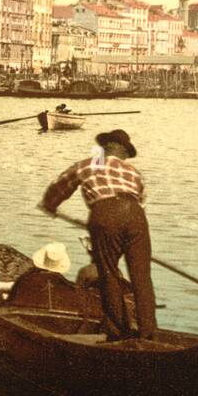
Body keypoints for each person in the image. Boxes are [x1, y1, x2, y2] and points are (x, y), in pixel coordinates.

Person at [39, 129, 157, 341]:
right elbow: (141, 204)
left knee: (109, 273)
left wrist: (49, 205)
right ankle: (149, 334)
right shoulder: (135, 174)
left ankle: (117, 332)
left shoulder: (88, 164)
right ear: (122, 153)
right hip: (137, 217)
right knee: (142, 277)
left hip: (105, 213)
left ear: (105, 148)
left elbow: (61, 185)